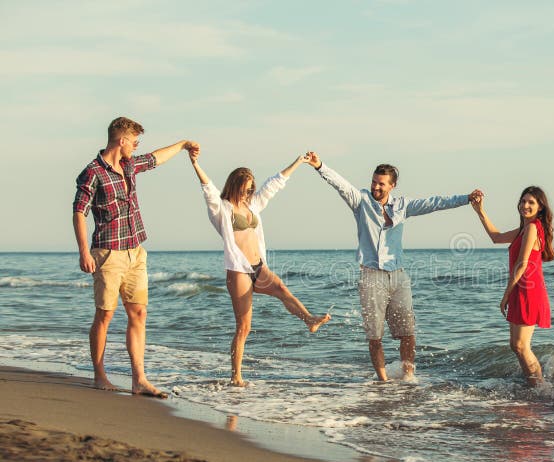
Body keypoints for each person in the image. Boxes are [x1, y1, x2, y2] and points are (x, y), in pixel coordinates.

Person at [306, 151, 482, 382]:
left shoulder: (402, 206)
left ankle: (408, 378)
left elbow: (434, 203)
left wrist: (466, 198)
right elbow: (341, 185)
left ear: (392, 186)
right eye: (373, 182)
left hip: (398, 277)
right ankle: (383, 382)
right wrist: (320, 166)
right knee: (375, 336)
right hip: (371, 276)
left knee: (408, 333)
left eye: (381, 184)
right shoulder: (361, 201)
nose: (375, 187)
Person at [72, 116, 199, 398]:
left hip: (135, 251)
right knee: (105, 315)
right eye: (135, 141)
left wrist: (181, 145)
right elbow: (79, 212)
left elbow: (155, 159)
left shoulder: (129, 165)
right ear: (122, 140)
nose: (137, 146)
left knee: (139, 313)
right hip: (107, 253)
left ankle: (139, 379)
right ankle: (99, 375)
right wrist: (83, 251)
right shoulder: (92, 172)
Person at [188, 149, 330, 387]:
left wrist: (298, 162)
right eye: (244, 188)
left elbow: (274, 185)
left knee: (282, 288)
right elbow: (208, 189)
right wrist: (195, 163)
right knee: (244, 327)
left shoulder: (253, 205)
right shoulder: (222, 209)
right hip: (239, 270)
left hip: (258, 266)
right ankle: (236, 376)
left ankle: (309, 319)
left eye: (250, 188)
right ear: (234, 186)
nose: (248, 192)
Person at [471, 186, 554, 386]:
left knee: (521, 345)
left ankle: (540, 387)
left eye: (531, 202)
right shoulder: (524, 229)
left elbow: (522, 264)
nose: (525, 205)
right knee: (516, 345)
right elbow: (496, 237)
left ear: (540, 207)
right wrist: (480, 211)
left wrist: (506, 294)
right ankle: (534, 385)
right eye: (523, 201)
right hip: (520, 288)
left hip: (528, 290)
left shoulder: (533, 227)